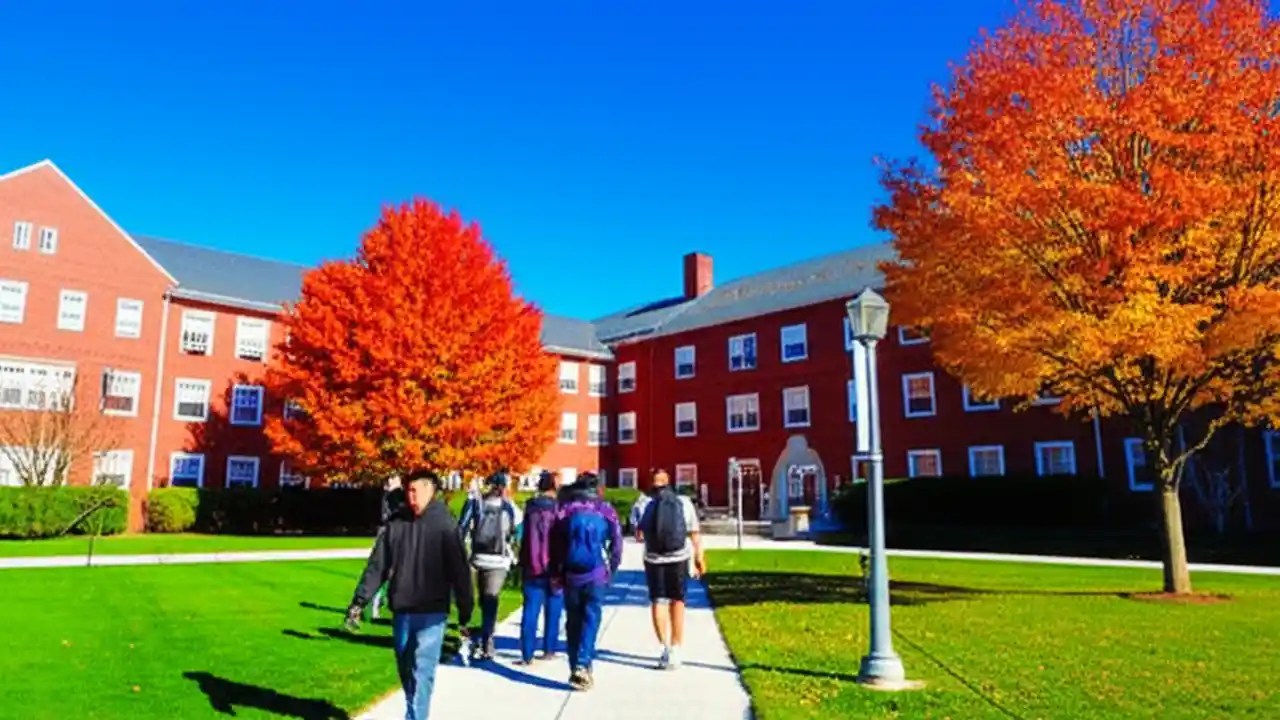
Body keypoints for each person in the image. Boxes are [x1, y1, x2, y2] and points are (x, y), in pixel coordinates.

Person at [346, 469, 473, 720]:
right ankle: (412, 706)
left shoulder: (446, 525)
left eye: (416, 491)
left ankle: (415, 715)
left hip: (432, 613)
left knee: (422, 670)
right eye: (408, 491)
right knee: (406, 668)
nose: (411, 496)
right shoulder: (397, 523)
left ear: (430, 490)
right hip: (403, 609)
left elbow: (460, 571)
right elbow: (377, 565)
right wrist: (359, 601)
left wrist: (465, 609)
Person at [551, 471, 622, 691]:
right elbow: (617, 543)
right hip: (596, 573)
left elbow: (555, 545)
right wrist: (613, 566)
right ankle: (583, 663)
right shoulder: (605, 510)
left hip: (571, 573)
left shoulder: (565, 511)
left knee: (573, 621)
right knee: (591, 620)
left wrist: (556, 571)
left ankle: (576, 667)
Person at [637, 468, 705, 671]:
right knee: (678, 600)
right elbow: (694, 533)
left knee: (658, 600)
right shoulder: (683, 502)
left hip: (653, 559)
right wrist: (699, 556)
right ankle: (676, 648)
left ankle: (664, 648)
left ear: (652, 483)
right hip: (679, 558)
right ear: (668, 481)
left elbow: (639, 535)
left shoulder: (643, 503)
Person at [458, 471, 518, 661]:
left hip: (478, 557)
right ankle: (487, 642)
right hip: (498, 561)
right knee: (491, 600)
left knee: (481, 600)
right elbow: (516, 530)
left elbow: (462, 527)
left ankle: (477, 635)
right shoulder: (508, 506)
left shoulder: (477, 502)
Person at [516, 470, 564, 665]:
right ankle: (549, 649)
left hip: (532, 565)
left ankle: (527, 654)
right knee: (554, 610)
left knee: (530, 611)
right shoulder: (559, 509)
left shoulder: (530, 508)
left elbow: (523, 536)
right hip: (555, 566)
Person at [371, 474, 406, 620]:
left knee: (385, 570)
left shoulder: (390, 495)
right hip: (391, 534)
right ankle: (378, 602)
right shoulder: (394, 496)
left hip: (388, 532)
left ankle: (377, 603)